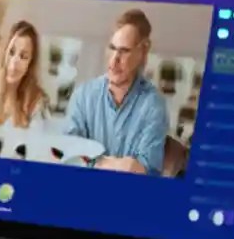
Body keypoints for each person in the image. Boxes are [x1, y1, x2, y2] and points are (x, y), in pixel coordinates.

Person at [65, 9, 170, 175]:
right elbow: (68, 157)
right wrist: (122, 165)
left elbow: (144, 171)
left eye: (124, 51)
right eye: (112, 48)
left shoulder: (154, 105)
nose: (114, 60)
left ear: (142, 52)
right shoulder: (83, 97)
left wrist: (93, 160)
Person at [0, 20, 50, 133]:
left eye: (23, 56)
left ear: (30, 63)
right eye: (11, 52)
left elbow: (37, 145)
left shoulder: (37, 103)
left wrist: (12, 96)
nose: (14, 63)